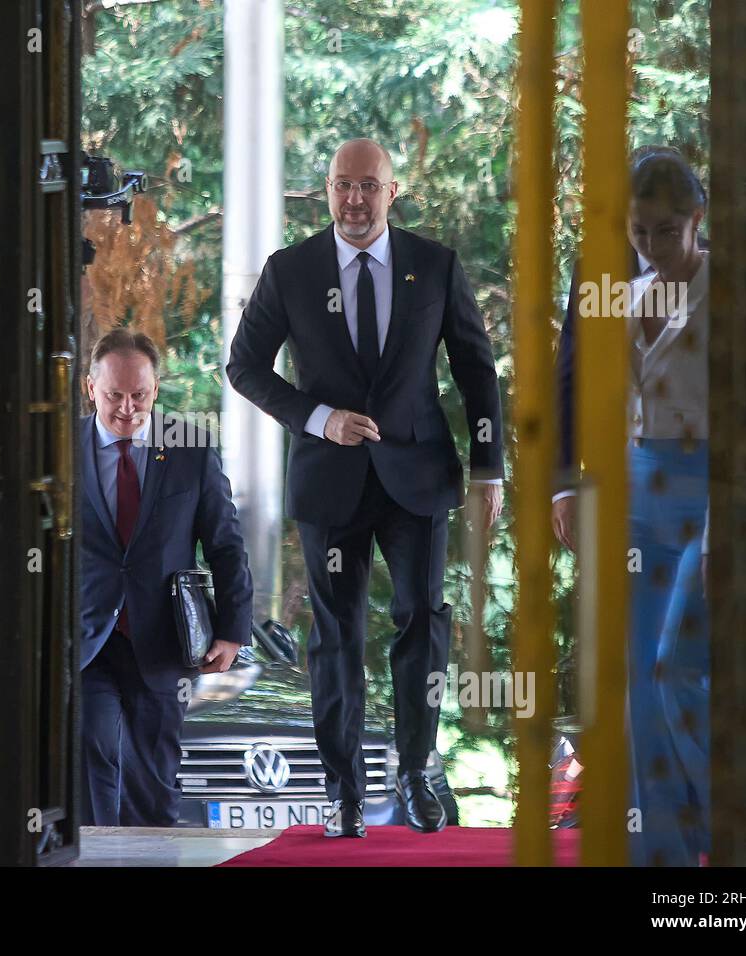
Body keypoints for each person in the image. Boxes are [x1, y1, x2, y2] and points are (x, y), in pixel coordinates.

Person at [226, 138, 505, 837]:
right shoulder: (291, 271)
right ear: (327, 190)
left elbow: (476, 368)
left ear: (392, 190)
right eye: (341, 186)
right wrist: (318, 418)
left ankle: (416, 768)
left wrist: (488, 467)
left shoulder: (433, 266)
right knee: (337, 637)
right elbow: (244, 366)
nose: (353, 199)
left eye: (367, 187)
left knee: (421, 618)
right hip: (330, 482)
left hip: (418, 477)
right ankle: (342, 792)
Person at [551, 147, 711, 866]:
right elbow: (571, 377)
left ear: (697, 219)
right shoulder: (613, 280)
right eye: (639, 230)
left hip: (707, 495)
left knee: (675, 667)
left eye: (665, 230)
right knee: (637, 693)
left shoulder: (730, 289)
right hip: (629, 492)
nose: (648, 246)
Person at [79, 328, 254, 827]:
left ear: (157, 389)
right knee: (92, 745)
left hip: (162, 639)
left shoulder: (190, 449)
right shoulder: (59, 449)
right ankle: (91, 857)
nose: (128, 408)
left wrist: (232, 631)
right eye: (115, 395)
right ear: (91, 388)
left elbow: (225, 543)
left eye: (140, 394)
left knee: (152, 775)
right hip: (87, 637)